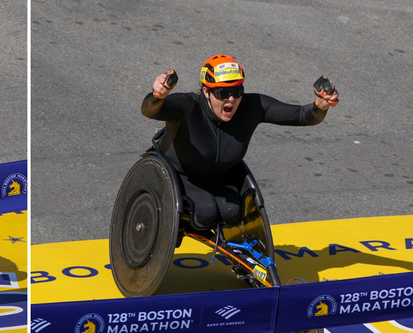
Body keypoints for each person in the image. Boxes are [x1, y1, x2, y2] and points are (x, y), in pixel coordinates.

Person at [141, 54, 339, 229]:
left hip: (219, 177)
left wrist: (320, 106)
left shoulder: (251, 107)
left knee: (232, 214)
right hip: (179, 175)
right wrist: (157, 96)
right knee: (205, 212)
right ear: (206, 91)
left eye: (236, 91)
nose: (231, 100)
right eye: (222, 93)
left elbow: (303, 116)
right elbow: (150, 110)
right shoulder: (188, 106)